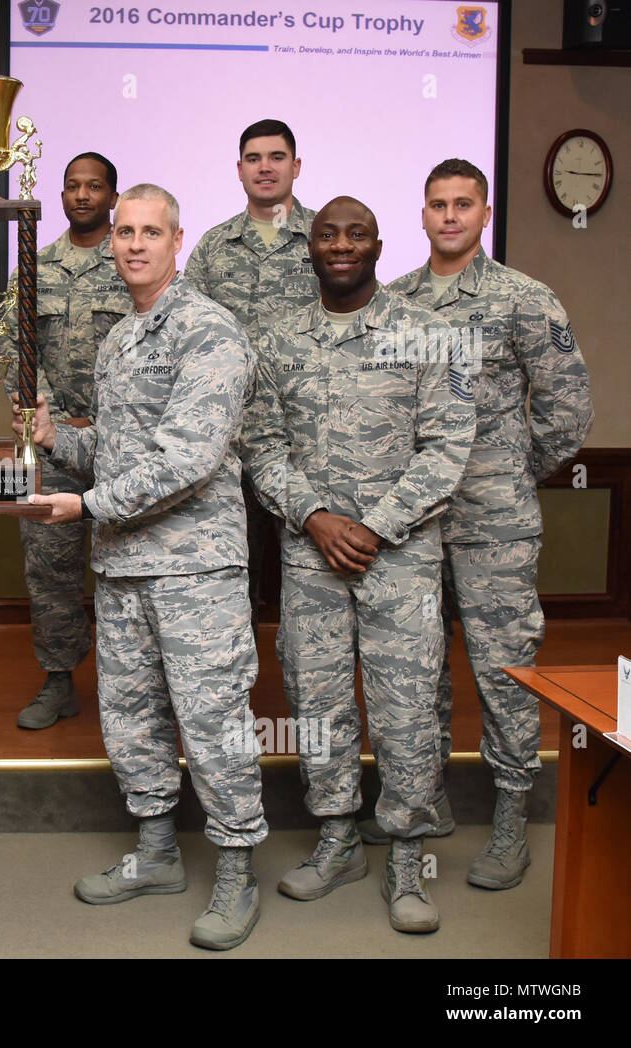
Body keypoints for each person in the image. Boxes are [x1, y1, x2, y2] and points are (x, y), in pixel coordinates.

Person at [23, 184, 268, 951]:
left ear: (177, 240)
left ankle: (235, 870)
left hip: (194, 570)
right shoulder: (123, 338)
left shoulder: (209, 333)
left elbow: (187, 462)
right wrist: (58, 439)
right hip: (125, 567)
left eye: (148, 232)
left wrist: (88, 504)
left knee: (214, 720)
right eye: (124, 232)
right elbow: (121, 452)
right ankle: (158, 852)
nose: (132, 244)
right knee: (130, 719)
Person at [242, 196, 476, 933]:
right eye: (327, 234)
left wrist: (374, 525)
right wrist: (315, 517)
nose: (340, 244)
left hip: (399, 558)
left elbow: (448, 449)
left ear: (378, 244)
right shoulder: (276, 342)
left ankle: (407, 857)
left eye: (355, 234)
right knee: (317, 704)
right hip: (311, 556)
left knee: (405, 708)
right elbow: (261, 446)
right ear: (309, 247)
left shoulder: (431, 335)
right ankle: (338, 839)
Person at [379, 159, 593, 888]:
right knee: (418, 667)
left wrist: (507, 471)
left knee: (504, 669)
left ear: (485, 211)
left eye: (462, 204)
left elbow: (567, 410)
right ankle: (428, 796)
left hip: (492, 518)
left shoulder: (522, 300)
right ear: (422, 212)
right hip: (413, 521)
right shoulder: (395, 301)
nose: (448, 216)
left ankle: (510, 817)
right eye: (437, 203)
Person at [0, 151, 131, 730]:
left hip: (124, 446)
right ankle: (58, 681)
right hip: (50, 443)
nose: (81, 195)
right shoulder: (33, 267)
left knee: (126, 562)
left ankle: (130, 687)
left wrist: (98, 423)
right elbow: (8, 347)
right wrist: (51, 416)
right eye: (72, 186)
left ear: (113, 196)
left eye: (94, 186)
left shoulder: (132, 262)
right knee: (50, 570)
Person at [184, 120, 318, 632]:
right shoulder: (214, 247)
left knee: (308, 578)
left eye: (277, 157)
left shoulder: (326, 238)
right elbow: (186, 333)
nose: (266, 167)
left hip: (304, 438)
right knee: (227, 578)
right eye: (255, 158)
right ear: (239, 169)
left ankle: (305, 690)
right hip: (229, 441)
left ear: (296, 167)